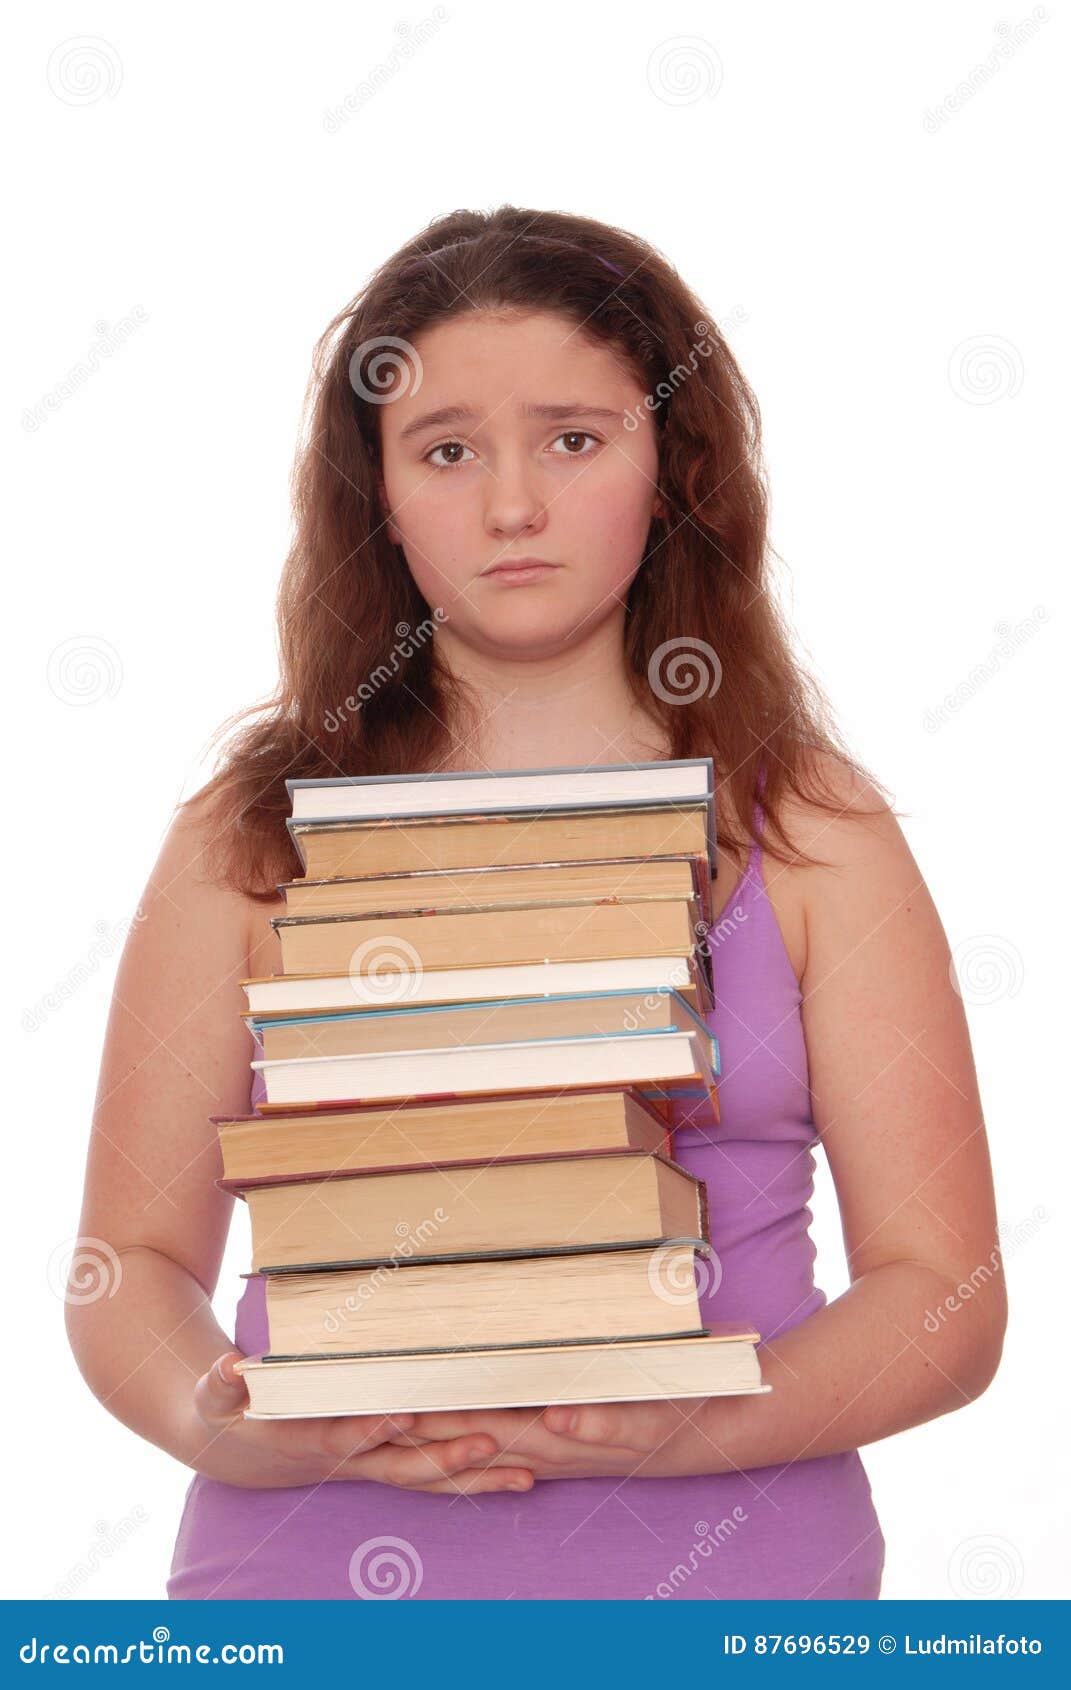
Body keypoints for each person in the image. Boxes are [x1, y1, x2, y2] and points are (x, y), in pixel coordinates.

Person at [65, 206, 1006, 1600]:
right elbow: (129, 1263)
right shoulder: (247, 841)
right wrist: (237, 1424)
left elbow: (944, 1293)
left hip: (739, 1595)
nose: (513, 505)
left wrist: (689, 1426)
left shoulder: (811, 832)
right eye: (447, 450)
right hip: (309, 1595)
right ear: (377, 491)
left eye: (575, 438)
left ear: (672, 466)